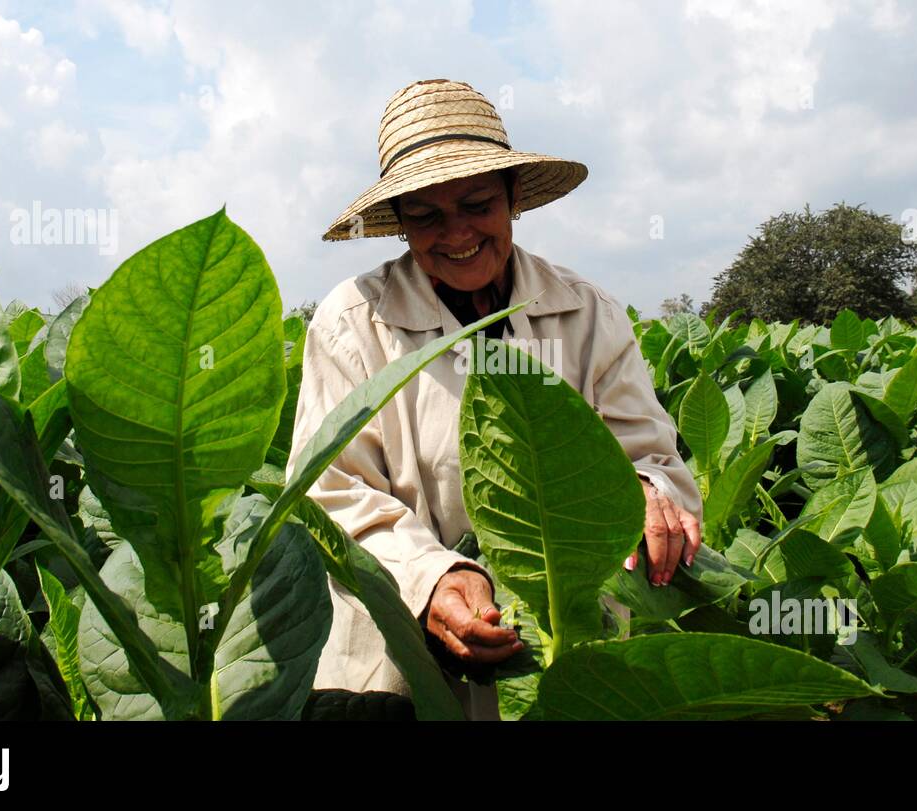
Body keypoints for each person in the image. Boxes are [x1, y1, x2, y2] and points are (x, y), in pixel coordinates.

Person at [289, 79, 702, 718]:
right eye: (424, 215)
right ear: (399, 223)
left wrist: (650, 492)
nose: (456, 233)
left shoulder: (587, 313)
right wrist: (432, 577)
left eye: (478, 204)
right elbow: (328, 490)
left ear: (513, 199)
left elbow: (653, 458)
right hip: (399, 666)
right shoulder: (352, 322)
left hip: (570, 653)